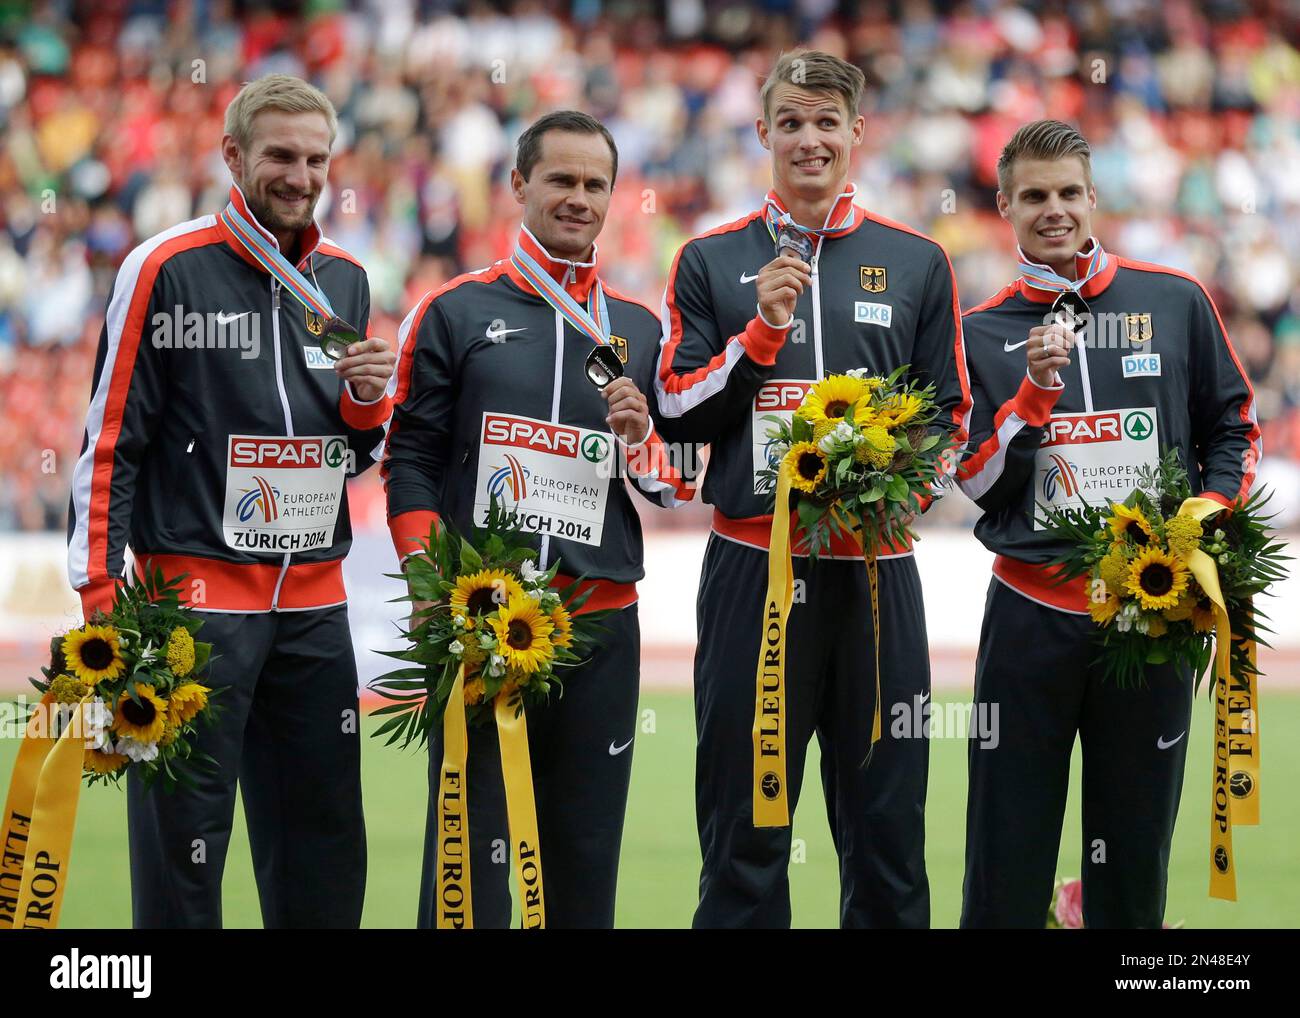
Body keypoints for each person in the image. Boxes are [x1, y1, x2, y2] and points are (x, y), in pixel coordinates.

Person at [66, 74, 396, 928]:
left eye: (317, 158)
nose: (301, 175)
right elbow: (110, 441)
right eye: (281, 155)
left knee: (325, 846)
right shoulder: (166, 267)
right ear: (233, 156)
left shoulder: (347, 281)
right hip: (194, 610)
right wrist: (102, 605)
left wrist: (368, 405)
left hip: (317, 608)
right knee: (184, 851)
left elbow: (349, 453)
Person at [655, 50, 970, 928]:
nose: (809, 138)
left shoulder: (916, 260)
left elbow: (950, 412)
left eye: (827, 121)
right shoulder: (711, 259)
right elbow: (677, 411)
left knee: (887, 834)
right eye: (790, 121)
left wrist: (903, 484)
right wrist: (760, 334)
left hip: (877, 577)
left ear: (857, 133)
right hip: (753, 573)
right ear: (762, 133)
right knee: (746, 831)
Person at [384, 109, 695, 929]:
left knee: (584, 862)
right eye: (561, 179)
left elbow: (672, 487)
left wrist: (640, 444)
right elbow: (408, 459)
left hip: (600, 629)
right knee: (468, 864)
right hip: (480, 627)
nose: (579, 197)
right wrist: (427, 585)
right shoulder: (451, 311)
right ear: (519, 185)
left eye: (596, 184)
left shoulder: (638, 329)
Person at [956, 119, 1260, 928]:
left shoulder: (1173, 300)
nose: (1052, 210)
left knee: (1132, 854)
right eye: (1033, 196)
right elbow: (976, 481)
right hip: (1030, 618)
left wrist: (1204, 518)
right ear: (1005, 206)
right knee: (1004, 853)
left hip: (1150, 616)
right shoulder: (980, 332)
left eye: (1067, 194)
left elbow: (1234, 427)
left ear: (1093, 198)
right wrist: (1031, 399)